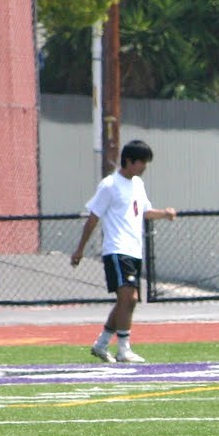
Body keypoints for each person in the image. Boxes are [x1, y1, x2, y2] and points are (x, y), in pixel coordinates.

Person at [70, 139, 178, 363]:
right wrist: (79, 249)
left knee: (125, 301)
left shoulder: (137, 184)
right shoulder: (110, 185)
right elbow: (93, 218)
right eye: (141, 162)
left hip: (134, 250)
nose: (144, 167)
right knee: (130, 297)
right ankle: (123, 349)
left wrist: (164, 213)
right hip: (117, 249)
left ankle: (101, 344)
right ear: (128, 161)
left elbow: (144, 212)